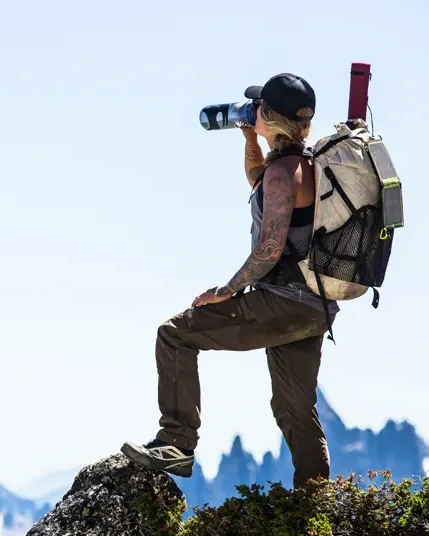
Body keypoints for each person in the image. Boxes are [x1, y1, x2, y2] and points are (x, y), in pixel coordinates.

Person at [122, 73, 335, 489]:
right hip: (315, 307)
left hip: (282, 301)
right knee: (294, 407)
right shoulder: (305, 166)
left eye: (257, 109)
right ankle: (316, 499)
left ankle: (176, 442)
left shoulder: (283, 173)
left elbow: (270, 247)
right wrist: (249, 140)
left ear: (269, 115)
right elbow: (260, 181)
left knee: (175, 335)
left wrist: (229, 289)